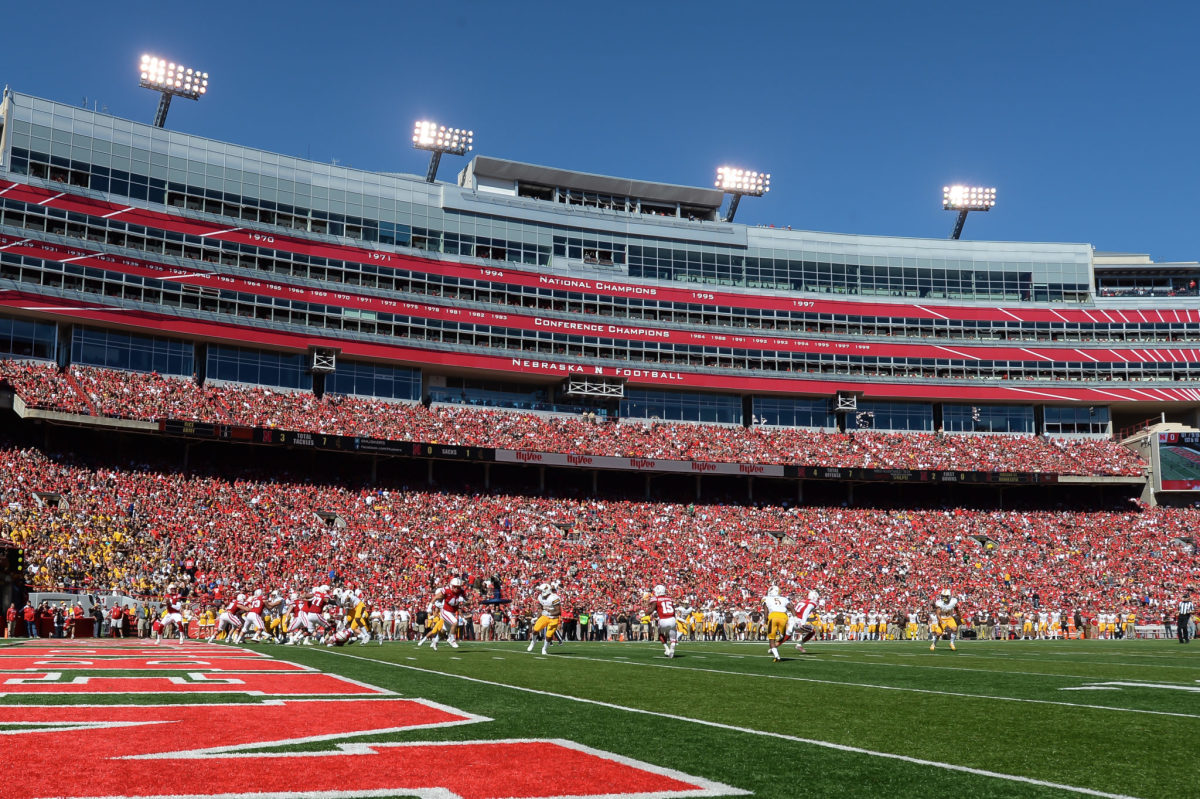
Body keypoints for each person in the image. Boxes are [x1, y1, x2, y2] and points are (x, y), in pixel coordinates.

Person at [526, 583, 562, 655]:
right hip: (545, 616)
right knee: (535, 630)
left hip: (553, 618)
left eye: (542, 591)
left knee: (548, 636)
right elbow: (541, 609)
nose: (541, 592)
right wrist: (536, 617)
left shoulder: (554, 598)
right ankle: (533, 642)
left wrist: (549, 613)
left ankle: (544, 648)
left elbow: (558, 611)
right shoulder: (540, 597)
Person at [648, 585, 679, 658]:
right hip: (672, 618)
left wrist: (645, 614)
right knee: (673, 634)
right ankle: (673, 643)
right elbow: (673, 610)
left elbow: (652, 609)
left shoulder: (656, 599)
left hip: (663, 619)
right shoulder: (669, 598)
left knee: (660, 633)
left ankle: (667, 649)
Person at [762, 586, 791, 662]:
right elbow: (790, 607)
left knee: (771, 639)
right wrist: (795, 617)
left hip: (773, 617)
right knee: (783, 636)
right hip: (783, 617)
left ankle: (777, 656)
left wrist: (765, 622)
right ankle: (780, 635)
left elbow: (765, 611)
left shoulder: (766, 598)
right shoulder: (784, 599)